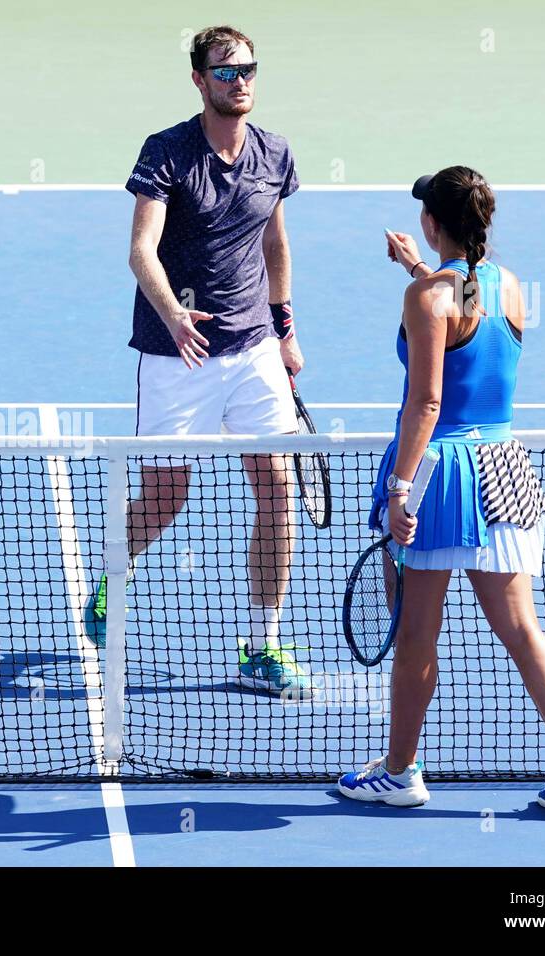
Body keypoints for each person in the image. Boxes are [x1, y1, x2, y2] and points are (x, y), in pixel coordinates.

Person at [338, 167, 545, 810]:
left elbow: (428, 402)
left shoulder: (428, 299)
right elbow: (466, 332)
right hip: (506, 470)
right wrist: (420, 272)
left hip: (441, 478)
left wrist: (401, 490)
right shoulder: (508, 286)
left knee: (416, 637)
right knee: (522, 629)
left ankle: (401, 773)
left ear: (431, 224)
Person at [85, 25, 311, 698]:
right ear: (199, 80)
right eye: (224, 72)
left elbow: (275, 242)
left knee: (276, 491)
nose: (238, 80)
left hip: (254, 353)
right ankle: (109, 585)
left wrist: (286, 329)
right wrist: (172, 313)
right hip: (175, 354)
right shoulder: (168, 152)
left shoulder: (275, 153)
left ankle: (260, 645)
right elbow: (140, 249)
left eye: (247, 70)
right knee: (166, 496)